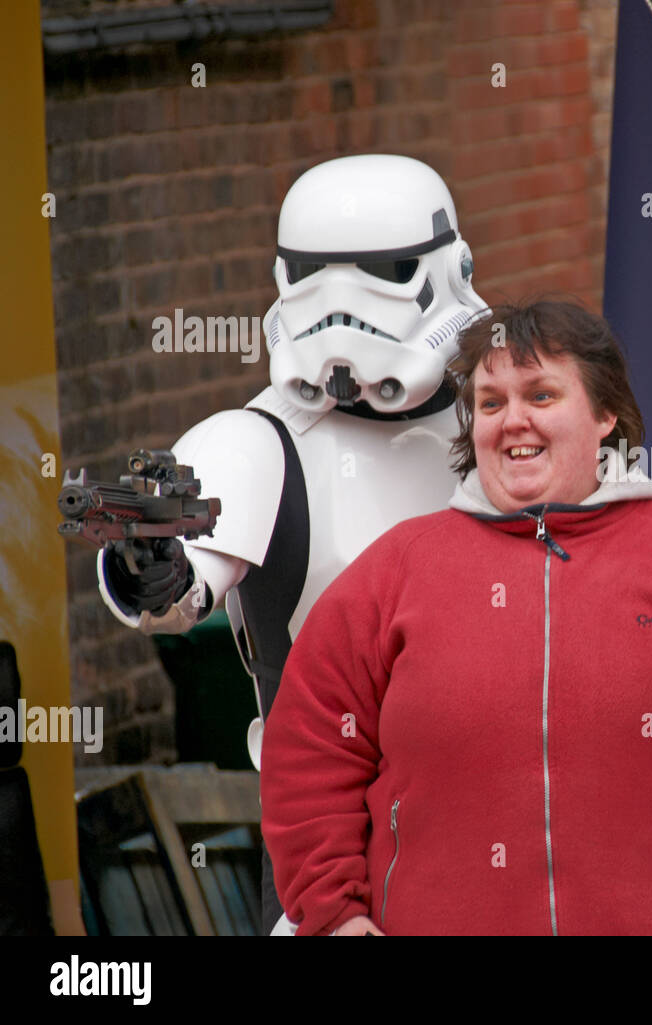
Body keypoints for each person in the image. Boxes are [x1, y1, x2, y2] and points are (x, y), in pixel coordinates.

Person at [261, 300, 652, 935]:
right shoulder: (395, 571)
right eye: (490, 403)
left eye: (540, 395)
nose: (513, 419)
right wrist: (335, 916)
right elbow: (310, 755)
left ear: (604, 417)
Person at [95, 154, 488, 932]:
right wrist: (155, 561)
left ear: (449, 267)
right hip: (337, 859)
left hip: (502, 839)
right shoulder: (258, 444)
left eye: (383, 272)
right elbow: (172, 592)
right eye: (313, 275)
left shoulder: (502, 423)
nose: (343, 309)